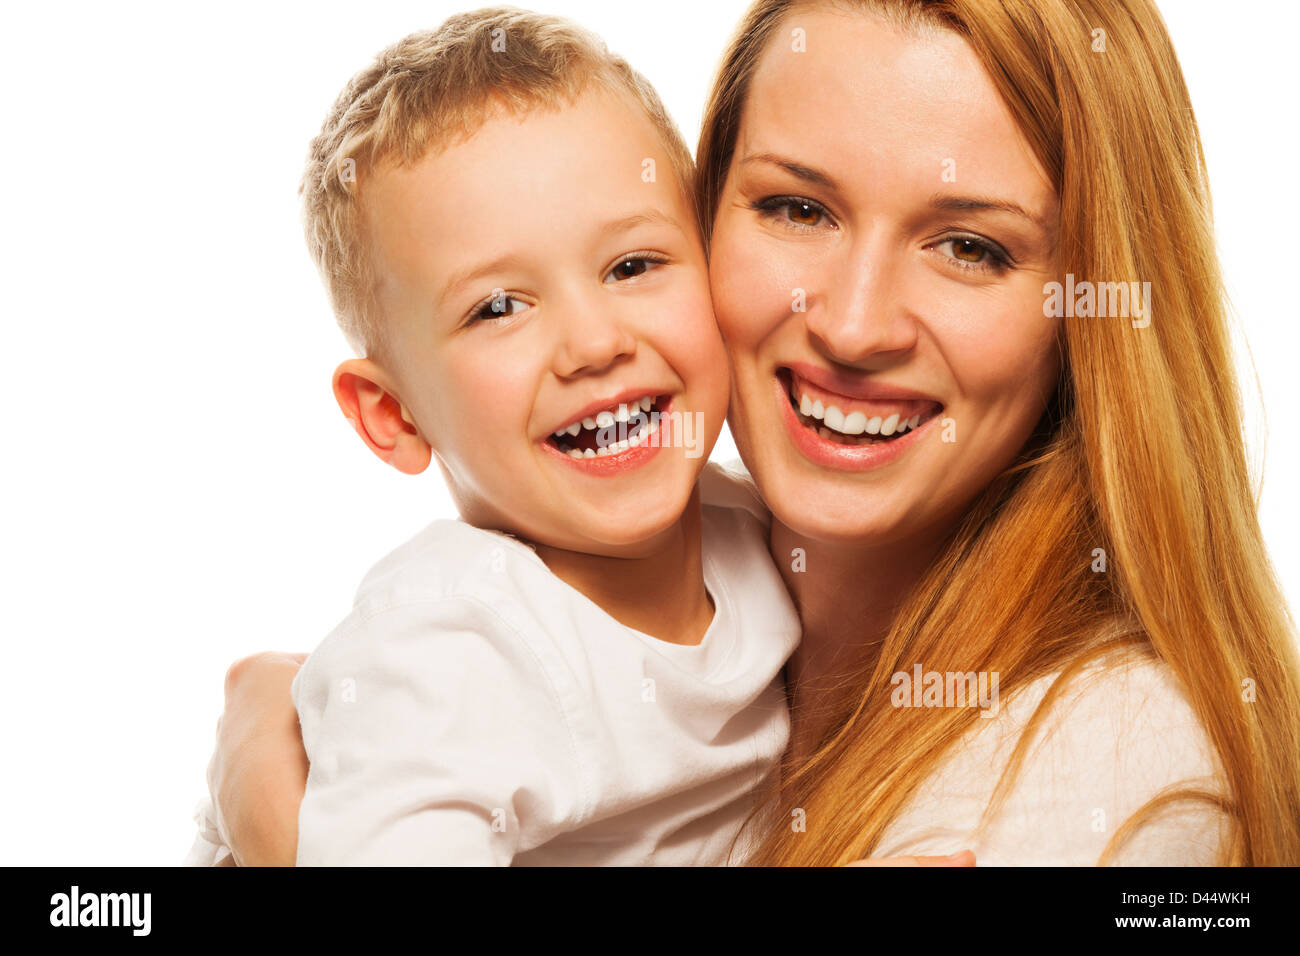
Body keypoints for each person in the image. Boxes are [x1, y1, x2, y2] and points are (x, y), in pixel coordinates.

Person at [206, 0, 1300, 866]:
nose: (856, 323)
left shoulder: (1107, 754)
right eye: (797, 208)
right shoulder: (626, 581)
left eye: (969, 246)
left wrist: (274, 827)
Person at [188, 7, 805, 865]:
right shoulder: (450, 652)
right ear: (392, 415)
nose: (595, 343)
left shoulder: (754, 526)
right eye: (498, 308)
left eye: (633, 265)